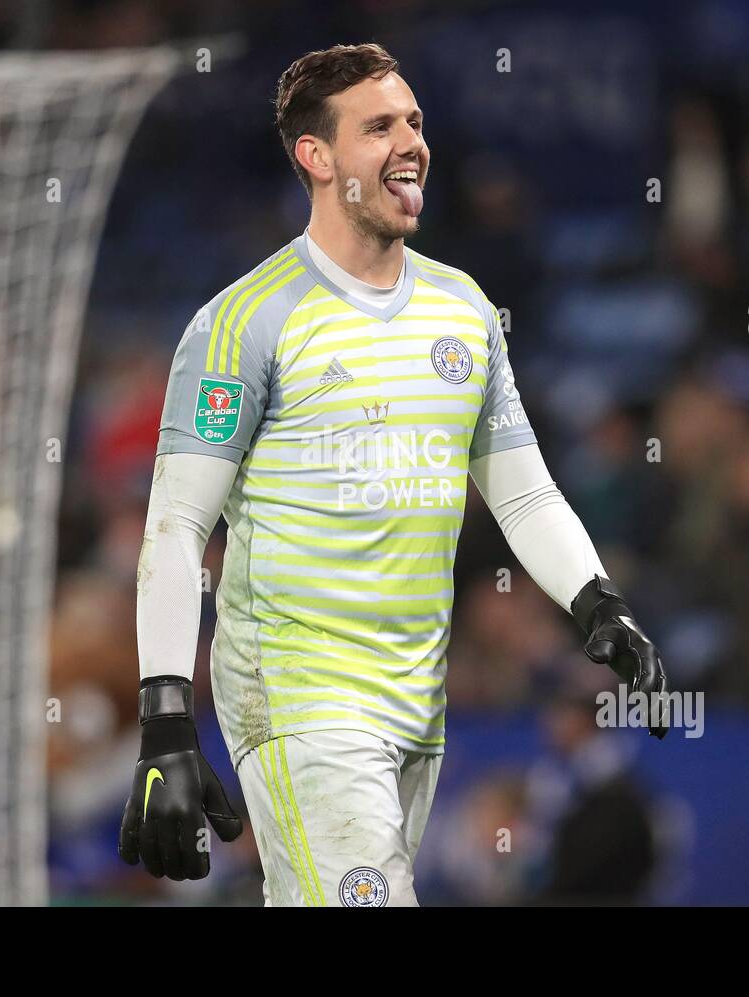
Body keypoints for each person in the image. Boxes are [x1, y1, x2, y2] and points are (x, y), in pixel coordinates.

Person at [117, 42, 668, 906]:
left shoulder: (465, 310)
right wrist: (164, 717)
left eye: (414, 121)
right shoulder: (241, 325)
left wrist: (596, 599)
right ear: (317, 156)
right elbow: (178, 528)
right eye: (379, 126)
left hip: (417, 699)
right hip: (298, 694)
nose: (411, 142)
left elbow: (522, 490)